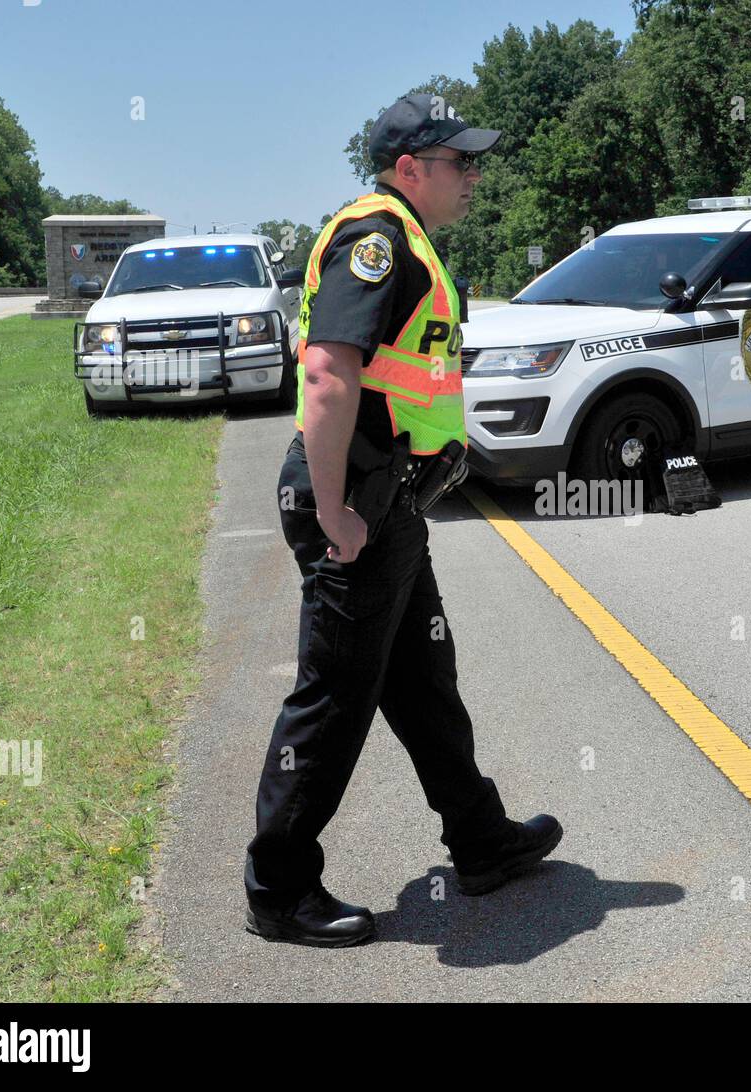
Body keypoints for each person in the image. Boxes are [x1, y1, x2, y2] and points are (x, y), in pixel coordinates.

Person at [244, 94, 562, 948]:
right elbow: (326, 373)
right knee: (333, 702)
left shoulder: (410, 243)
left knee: (423, 678)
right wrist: (335, 508)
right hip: (354, 505)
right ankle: (277, 888)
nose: (474, 176)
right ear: (410, 167)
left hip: (390, 504)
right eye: (461, 162)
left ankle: (481, 840)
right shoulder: (377, 240)